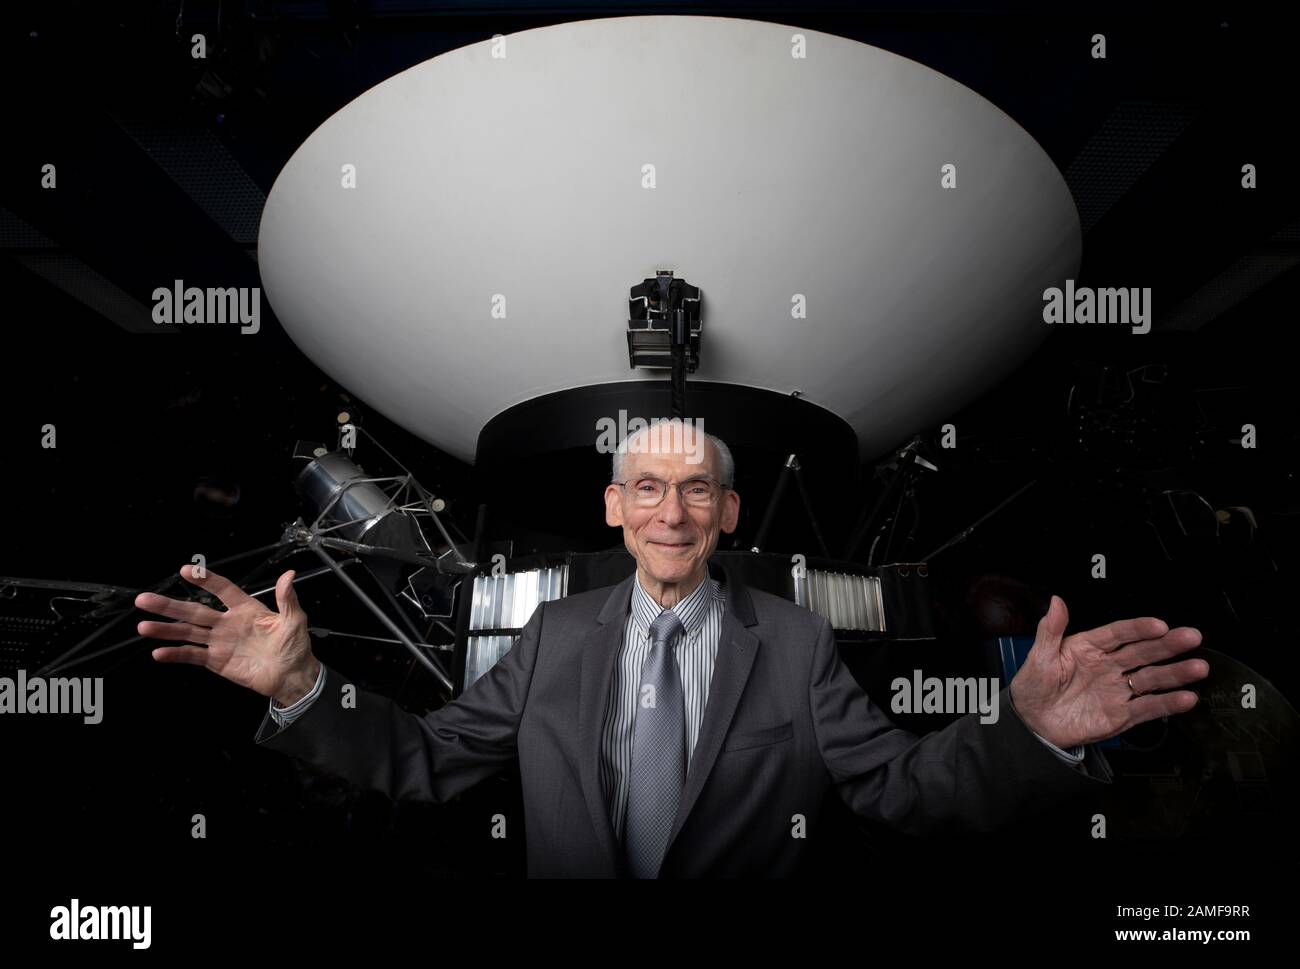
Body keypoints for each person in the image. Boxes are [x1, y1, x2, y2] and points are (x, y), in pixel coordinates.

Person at [134, 419, 1209, 877]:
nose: (672, 511)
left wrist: (1024, 734)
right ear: (614, 507)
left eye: (698, 489)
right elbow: (430, 761)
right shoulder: (553, 638)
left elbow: (897, 789)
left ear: (729, 511)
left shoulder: (791, 643)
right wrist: (306, 689)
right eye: (647, 487)